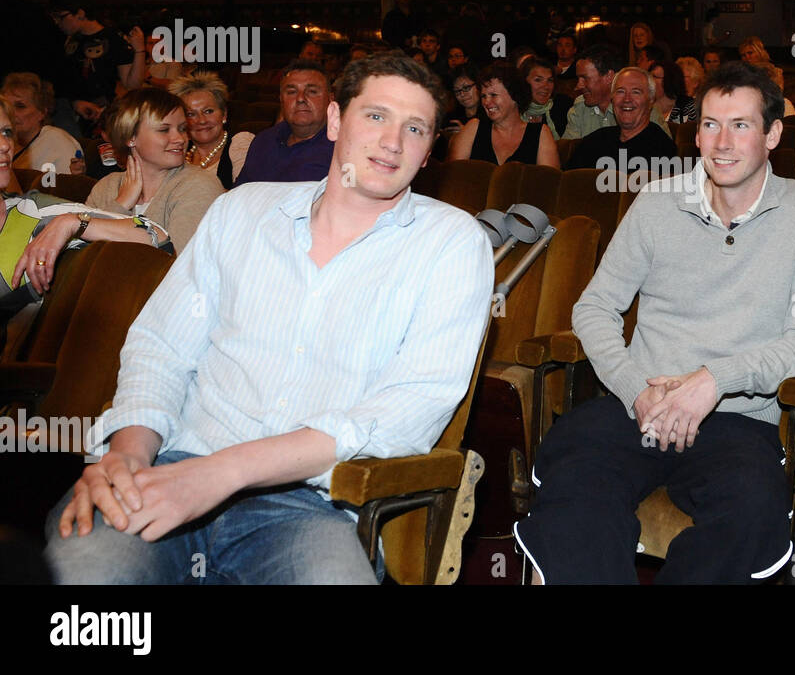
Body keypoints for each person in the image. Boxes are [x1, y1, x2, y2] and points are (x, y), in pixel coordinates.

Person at [44, 53, 494, 585]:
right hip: (170, 464)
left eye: (414, 128)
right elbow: (161, 347)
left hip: (304, 505)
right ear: (334, 120)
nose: (393, 141)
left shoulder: (452, 243)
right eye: (375, 116)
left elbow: (408, 410)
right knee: (86, 587)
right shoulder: (242, 211)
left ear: (428, 151)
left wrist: (222, 474)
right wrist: (128, 455)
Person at [515, 62, 795, 583]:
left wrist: (712, 382)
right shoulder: (659, 202)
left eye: (741, 125)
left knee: (750, 520)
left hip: (737, 419)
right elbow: (595, 307)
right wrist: (633, 389)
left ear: (773, 134)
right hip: (638, 406)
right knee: (574, 486)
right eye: (710, 124)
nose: (722, 142)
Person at [0, 95, 174, 329]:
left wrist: (72, 223)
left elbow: (156, 235)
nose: (4, 144)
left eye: (7, 132)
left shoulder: (33, 212)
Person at [85, 89, 225, 255]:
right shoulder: (106, 186)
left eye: (182, 128)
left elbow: (173, 264)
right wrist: (121, 204)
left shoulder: (199, 185)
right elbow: (81, 258)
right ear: (130, 137)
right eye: (164, 130)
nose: (180, 139)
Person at [47, 0, 147, 137]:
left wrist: (140, 50)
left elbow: (131, 84)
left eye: (60, 16)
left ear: (80, 13)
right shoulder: (64, 39)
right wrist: (74, 102)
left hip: (103, 117)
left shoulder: (113, 38)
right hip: (67, 114)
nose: (56, 22)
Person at [234, 61, 334, 186]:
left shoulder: (344, 148)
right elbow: (240, 193)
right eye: (292, 92)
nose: (301, 98)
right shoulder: (263, 141)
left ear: (330, 99)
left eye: (312, 91)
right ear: (281, 100)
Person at [564, 68, 677, 172]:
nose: (627, 99)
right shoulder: (595, 141)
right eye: (620, 91)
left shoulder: (663, 150)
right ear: (612, 98)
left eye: (636, 92)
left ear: (651, 101)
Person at [449, 62, 560, 168]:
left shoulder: (540, 133)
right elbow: (453, 177)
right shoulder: (473, 128)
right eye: (483, 96)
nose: (486, 102)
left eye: (493, 95)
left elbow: (549, 183)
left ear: (514, 96)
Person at [168, 71, 255, 189]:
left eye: (208, 111)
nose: (201, 120)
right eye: (191, 114)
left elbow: (244, 194)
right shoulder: (177, 150)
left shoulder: (240, 143)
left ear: (224, 114)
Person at [1, 72, 85, 176]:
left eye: (20, 106)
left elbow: (70, 188)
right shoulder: (6, 144)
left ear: (42, 112)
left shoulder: (56, 141)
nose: (11, 113)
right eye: (8, 107)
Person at [560, 44, 620, 141]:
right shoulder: (579, 108)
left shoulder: (632, 108)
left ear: (609, 76)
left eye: (585, 78)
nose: (579, 85)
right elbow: (568, 151)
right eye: (578, 78)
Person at [522, 58, 573, 140]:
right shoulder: (512, 112)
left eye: (550, 80)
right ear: (524, 81)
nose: (546, 86)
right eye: (538, 80)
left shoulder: (564, 107)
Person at [643, 48, 696, 124]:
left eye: (654, 76)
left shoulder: (689, 107)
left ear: (669, 80)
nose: (649, 81)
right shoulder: (645, 109)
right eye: (649, 76)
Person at [444, 70, 484, 138]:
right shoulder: (452, 119)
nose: (462, 94)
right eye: (457, 91)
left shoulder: (489, 115)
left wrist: (466, 133)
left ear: (478, 86)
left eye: (466, 88)